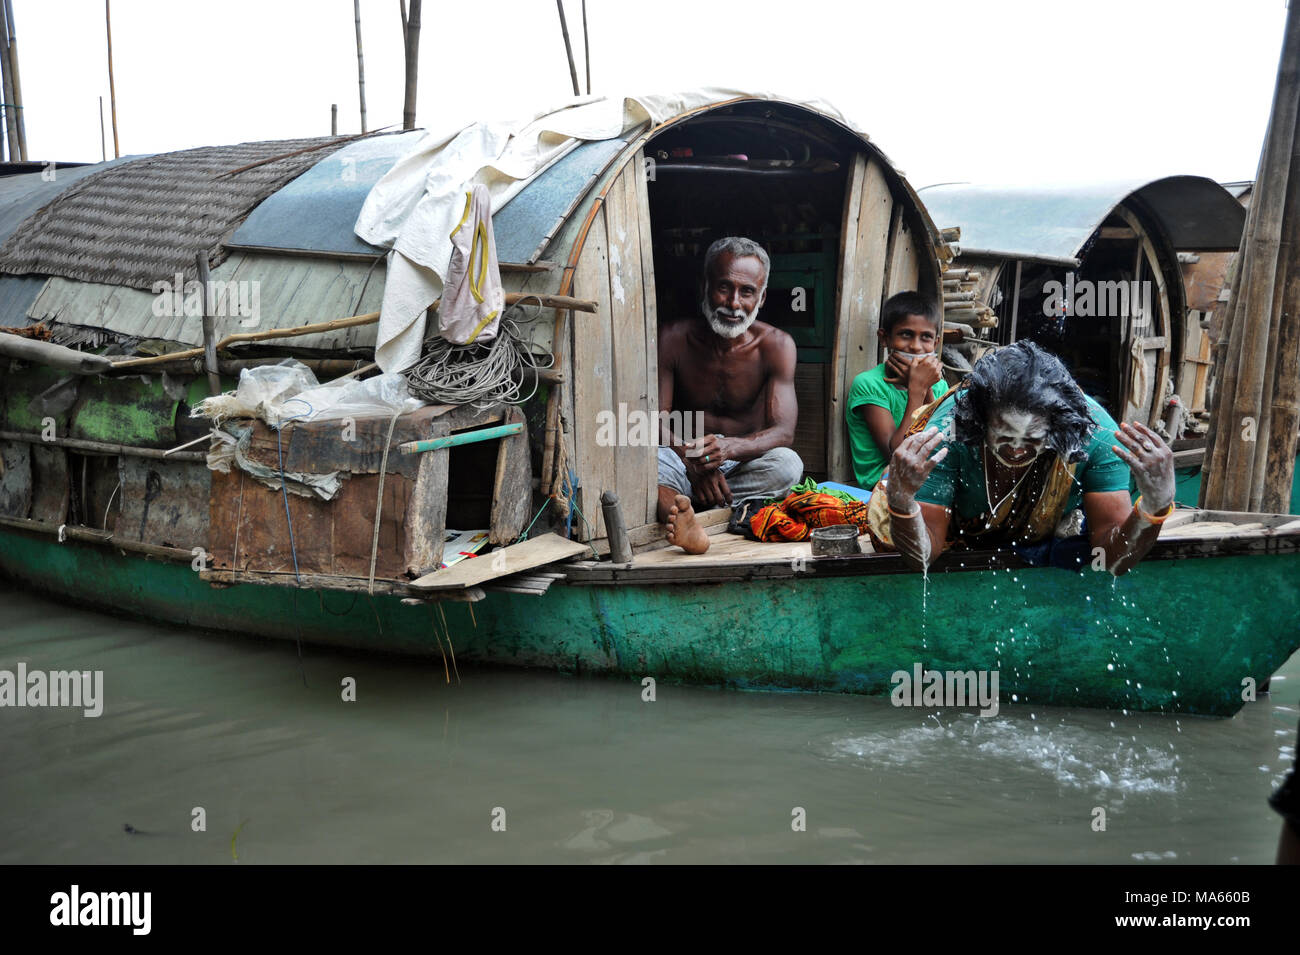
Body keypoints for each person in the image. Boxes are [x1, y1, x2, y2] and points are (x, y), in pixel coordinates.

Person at [873, 339, 1176, 575]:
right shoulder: (948, 435)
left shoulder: (1094, 436)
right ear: (980, 425)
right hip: (959, 532)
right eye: (1004, 438)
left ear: (1057, 431)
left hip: (1046, 534)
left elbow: (1110, 562)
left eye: (1032, 440)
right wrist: (901, 501)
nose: (1017, 450)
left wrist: (1153, 506)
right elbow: (923, 558)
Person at [657, 236, 803, 554]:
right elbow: (655, 418)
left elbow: (783, 431)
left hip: (736, 464)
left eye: (747, 292)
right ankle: (688, 517)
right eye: (724, 287)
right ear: (704, 286)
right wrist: (692, 459)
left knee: (788, 466)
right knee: (644, 465)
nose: (734, 303)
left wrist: (727, 448)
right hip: (679, 458)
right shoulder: (672, 338)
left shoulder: (776, 345)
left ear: (762, 297)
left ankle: (685, 507)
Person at [846, 291, 948, 490]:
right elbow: (898, 454)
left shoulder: (939, 385)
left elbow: (940, 441)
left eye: (926, 337)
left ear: (935, 344)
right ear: (885, 339)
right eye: (906, 334)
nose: (916, 347)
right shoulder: (869, 384)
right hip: (884, 483)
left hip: (926, 474)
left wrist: (926, 388)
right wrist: (917, 389)